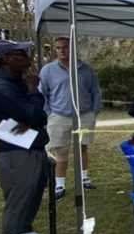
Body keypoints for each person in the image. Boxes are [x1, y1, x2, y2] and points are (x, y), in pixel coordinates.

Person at [0, 40, 50, 234]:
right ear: (6, 59)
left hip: (28, 150)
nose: (27, 57)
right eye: (20, 53)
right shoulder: (0, 89)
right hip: (19, 155)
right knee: (19, 209)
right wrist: (33, 90)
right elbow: (36, 116)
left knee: (27, 205)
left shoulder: (14, 84)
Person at [39, 37, 102, 202]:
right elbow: (42, 93)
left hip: (84, 116)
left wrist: (94, 112)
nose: (62, 51)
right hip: (59, 116)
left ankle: (84, 178)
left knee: (82, 148)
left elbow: (95, 91)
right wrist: (48, 113)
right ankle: (60, 185)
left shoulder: (86, 70)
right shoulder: (48, 70)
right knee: (61, 152)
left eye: (65, 47)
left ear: (72, 48)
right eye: (58, 48)